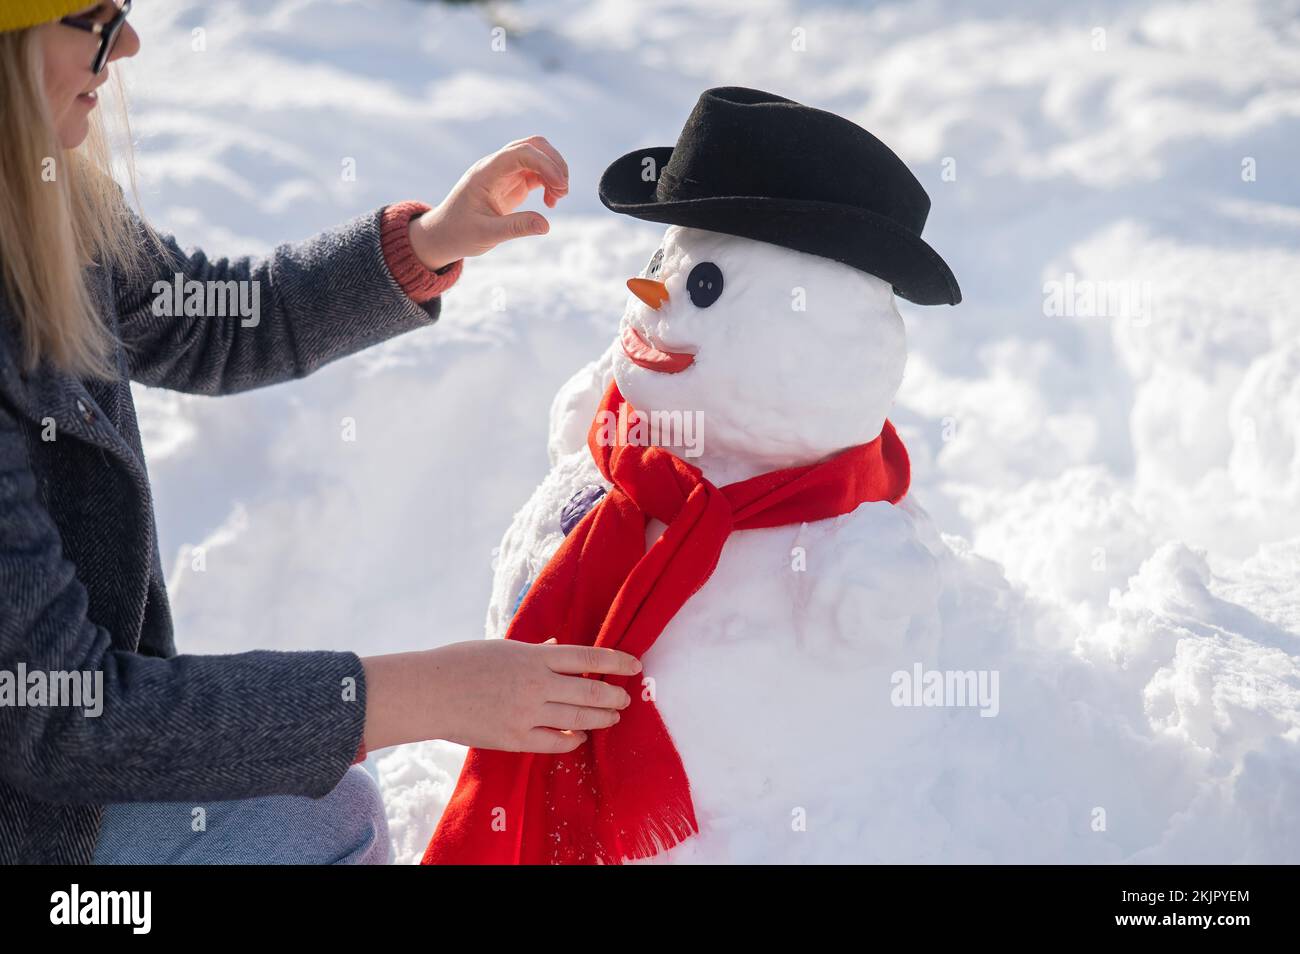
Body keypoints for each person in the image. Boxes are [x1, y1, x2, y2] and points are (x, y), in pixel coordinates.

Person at [0, 1, 640, 865]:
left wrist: (425, 240)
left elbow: (206, 320)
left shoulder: (42, 204)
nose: (132, 45)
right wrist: (417, 694)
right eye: (98, 20)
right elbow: (66, 718)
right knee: (311, 820)